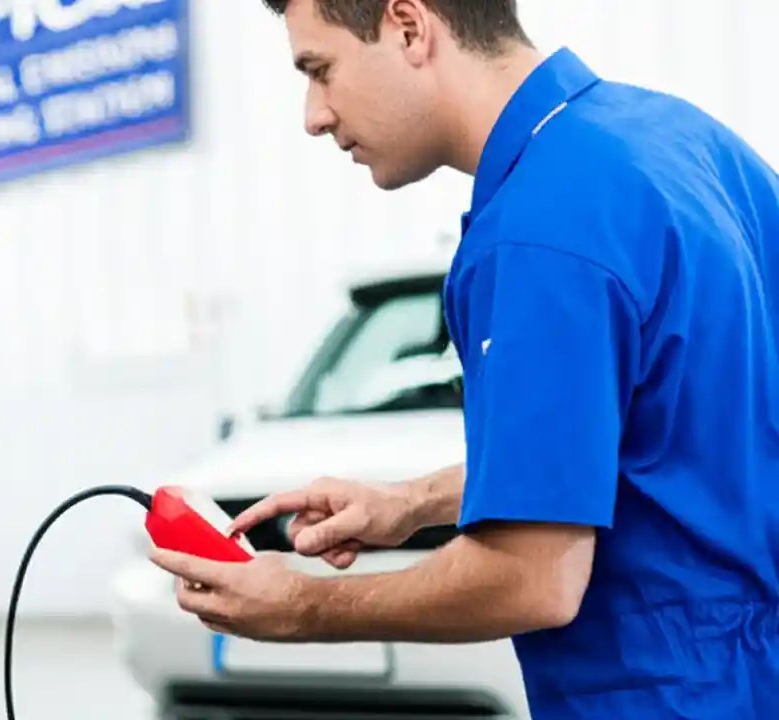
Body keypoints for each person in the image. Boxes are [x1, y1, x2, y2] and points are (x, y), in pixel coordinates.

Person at [147, 0, 779, 717]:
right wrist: (412, 502)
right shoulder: (690, 145)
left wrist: (302, 606)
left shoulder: (537, 231)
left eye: (320, 71)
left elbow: (532, 578)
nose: (314, 116)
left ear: (409, 27)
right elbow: (663, 444)